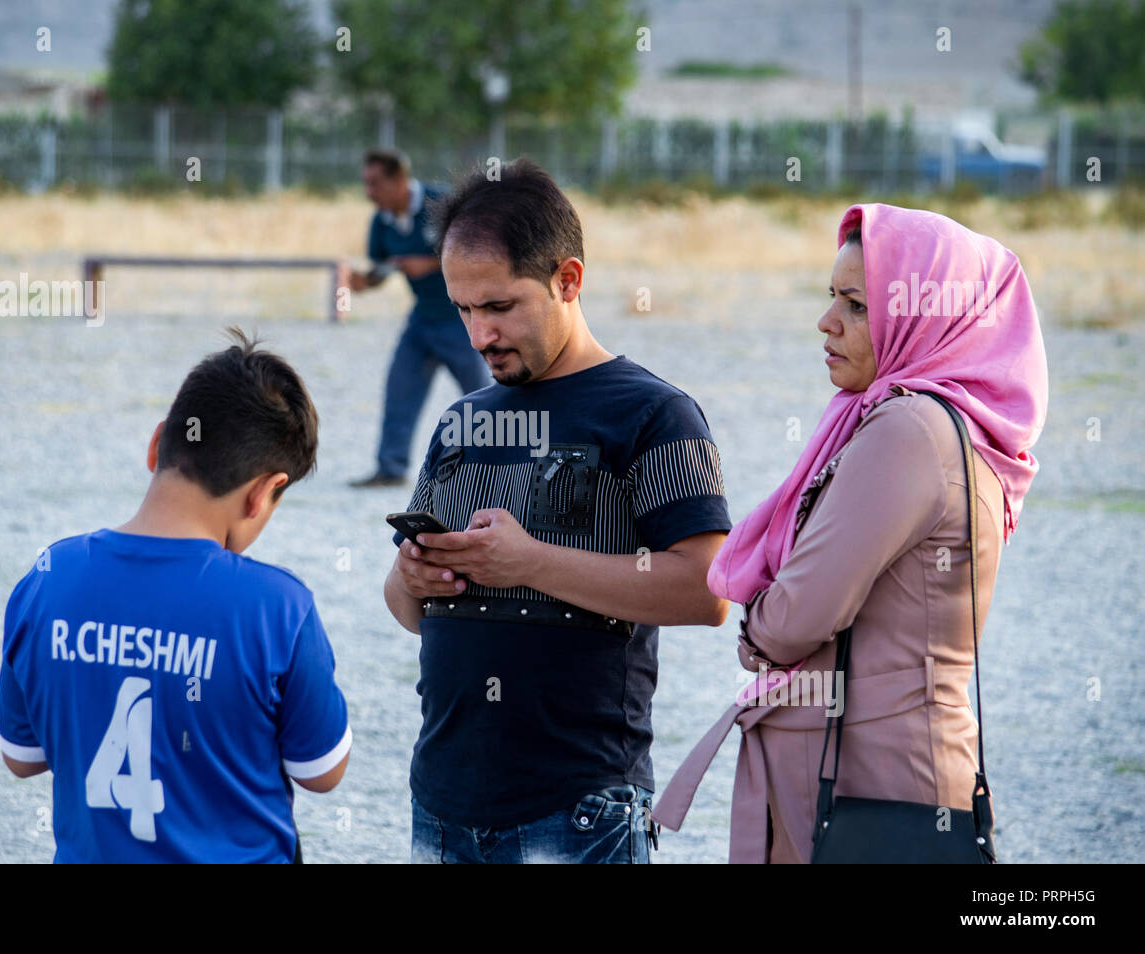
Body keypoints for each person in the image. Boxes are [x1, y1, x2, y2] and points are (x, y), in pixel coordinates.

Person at [652, 203, 1049, 863]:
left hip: (869, 787)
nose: (826, 322)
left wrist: (757, 628)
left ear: (929, 316)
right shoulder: (943, 426)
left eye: (858, 306)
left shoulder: (909, 430)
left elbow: (792, 621)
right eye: (831, 297)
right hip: (882, 778)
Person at [383, 157, 734, 864]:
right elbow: (406, 607)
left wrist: (529, 562)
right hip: (443, 808)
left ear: (567, 279)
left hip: (578, 815)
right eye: (464, 309)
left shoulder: (655, 415)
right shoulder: (461, 423)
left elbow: (708, 589)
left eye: (500, 306)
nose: (479, 334)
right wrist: (412, 578)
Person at [0, 328, 351, 863]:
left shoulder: (47, 577)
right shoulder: (278, 607)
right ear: (262, 493)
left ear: (157, 442)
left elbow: (22, 757)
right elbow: (322, 771)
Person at [343, 148, 492, 488]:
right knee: (400, 389)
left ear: (399, 180)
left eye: (375, 184)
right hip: (421, 320)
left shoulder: (443, 205)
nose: (369, 192)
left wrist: (427, 264)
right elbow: (384, 267)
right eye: (366, 184)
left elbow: (480, 254)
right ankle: (391, 468)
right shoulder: (380, 222)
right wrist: (365, 282)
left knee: (483, 397)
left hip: (461, 321)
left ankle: (504, 465)